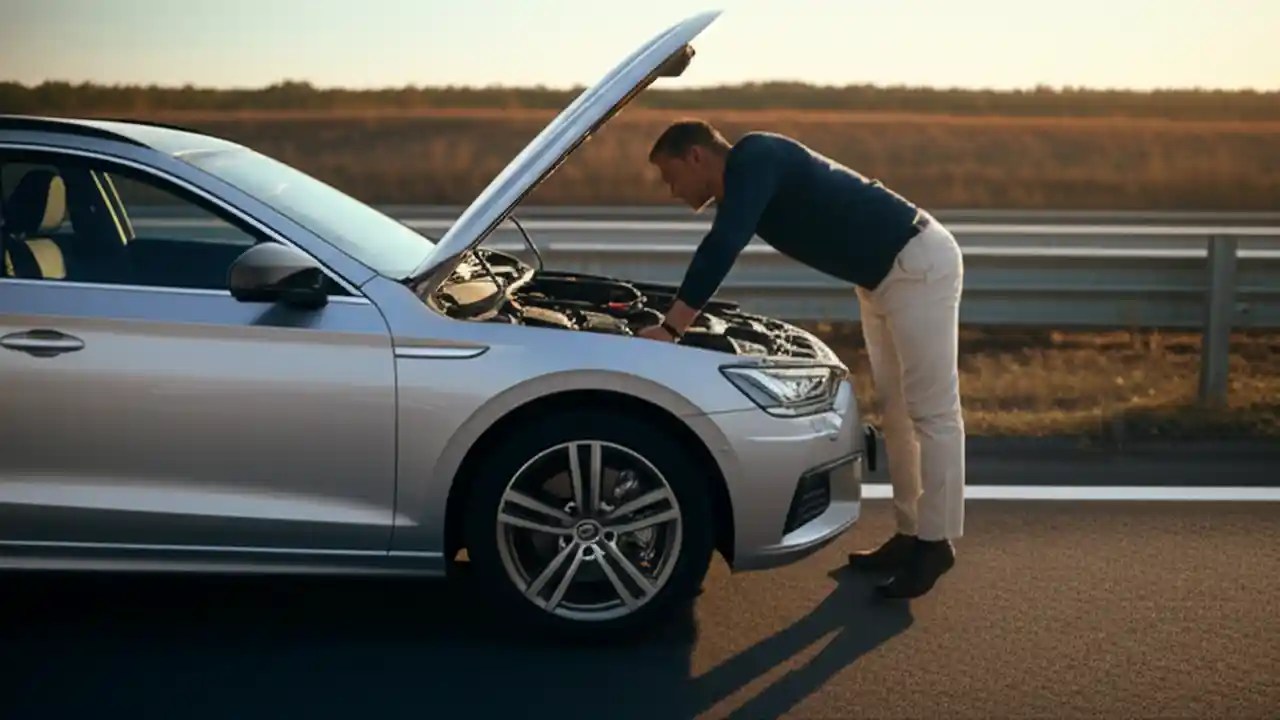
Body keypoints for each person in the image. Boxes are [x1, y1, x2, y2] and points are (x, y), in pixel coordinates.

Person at [638, 119, 965, 599]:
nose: (672, 191)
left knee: (932, 413)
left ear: (696, 157)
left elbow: (722, 246)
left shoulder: (756, 157)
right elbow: (723, 240)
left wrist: (671, 329)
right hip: (881, 279)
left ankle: (937, 544)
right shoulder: (743, 185)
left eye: (671, 177)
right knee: (896, 413)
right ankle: (912, 533)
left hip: (916, 264)